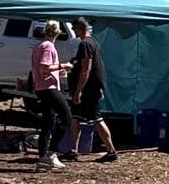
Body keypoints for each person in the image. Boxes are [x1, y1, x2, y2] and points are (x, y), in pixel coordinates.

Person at [62, 16, 119, 162]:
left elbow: (86, 68)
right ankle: (73, 150)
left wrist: (79, 90)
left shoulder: (86, 44)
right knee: (76, 118)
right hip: (90, 87)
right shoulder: (93, 43)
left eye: (75, 30)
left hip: (88, 90)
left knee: (96, 119)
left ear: (80, 29)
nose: (74, 33)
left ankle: (111, 151)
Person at [31, 20, 73, 170]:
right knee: (66, 118)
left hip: (41, 87)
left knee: (47, 122)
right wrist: (63, 65)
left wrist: (58, 71)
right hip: (49, 88)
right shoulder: (49, 46)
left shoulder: (39, 46)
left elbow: (43, 69)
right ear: (57, 32)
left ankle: (42, 157)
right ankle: (51, 153)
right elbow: (44, 67)